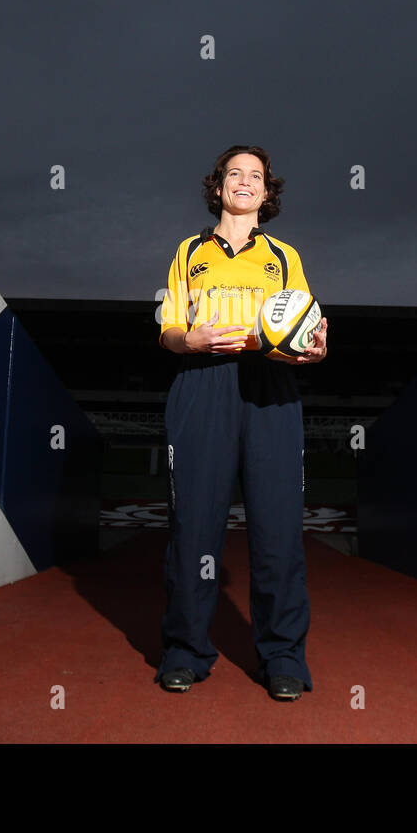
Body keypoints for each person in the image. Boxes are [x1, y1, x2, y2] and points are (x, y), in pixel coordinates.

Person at [154, 144, 328, 701]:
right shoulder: (189, 251)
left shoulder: (284, 256)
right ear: (219, 186)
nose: (245, 182)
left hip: (269, 387)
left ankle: (282, 656)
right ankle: (185, 651)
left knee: (277, 529)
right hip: (203, 382)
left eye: (256, 175)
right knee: (193, 527)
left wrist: (315, 349)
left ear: (267, 191)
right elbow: (167, 331)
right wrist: (191, 339)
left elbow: (304, 332)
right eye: (235, 173)